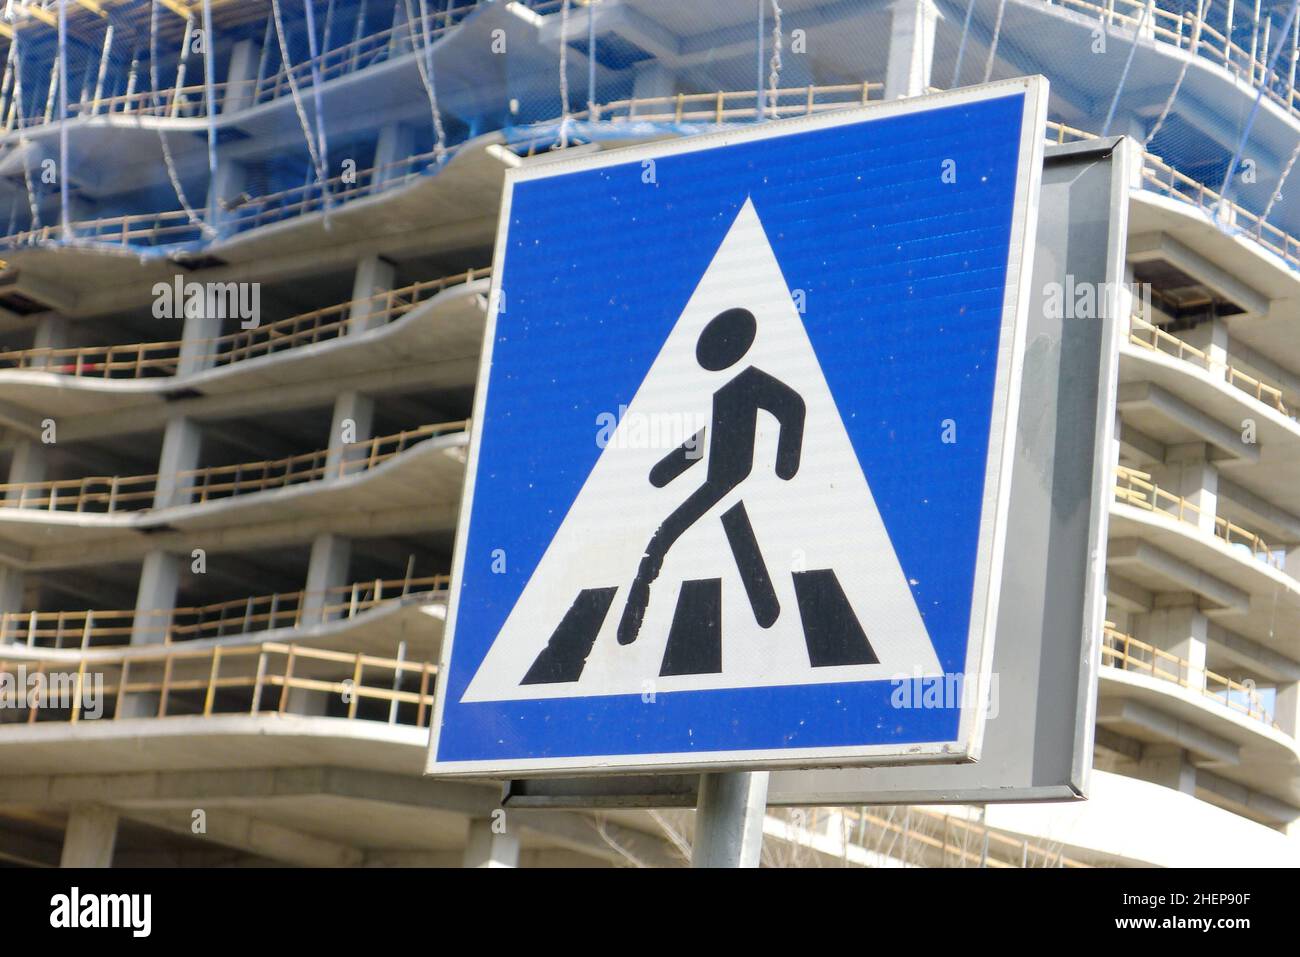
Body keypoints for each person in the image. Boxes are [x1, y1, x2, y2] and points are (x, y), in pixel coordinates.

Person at [617, 306, 806, 646]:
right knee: (731, 536)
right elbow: (705, 441)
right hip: (720, 481)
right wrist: (666, 471)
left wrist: (786, 465)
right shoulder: (726, 393)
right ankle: (768, 613)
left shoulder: (752, 381)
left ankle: (769, 617)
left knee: (678, 534)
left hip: (733, 479)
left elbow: (792, 408)